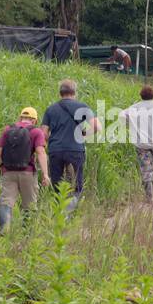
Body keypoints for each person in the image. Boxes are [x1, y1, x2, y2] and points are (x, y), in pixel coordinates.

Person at [41, 79, 99, 214]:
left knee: (57, 185)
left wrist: (54, 139)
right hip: (75, 150)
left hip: (55, 150)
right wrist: (84, 135)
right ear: (74, 92)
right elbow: (96, 126)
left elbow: (43, 134)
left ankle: (58, 212)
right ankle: (66, 214)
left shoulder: (51, 109)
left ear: (60, 93)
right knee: (76, 187)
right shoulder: (82, 107)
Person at [0, 106, 49, 231]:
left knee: (6, 202)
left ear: (20, 117)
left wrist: (3, 167)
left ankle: (5, 230)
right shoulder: (36, 132)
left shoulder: (7, 130)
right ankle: (27, 234)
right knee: (29, 205)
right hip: (28, 173)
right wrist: (45, 174)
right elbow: (40, 152)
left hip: (8, 172)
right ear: (34, 120)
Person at [121, 86, 153, 203]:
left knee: (146, 169)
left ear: (141, 95)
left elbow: (121, 115)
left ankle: (149, 196)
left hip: (142, 145)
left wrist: (131, 125)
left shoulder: (135, 107)